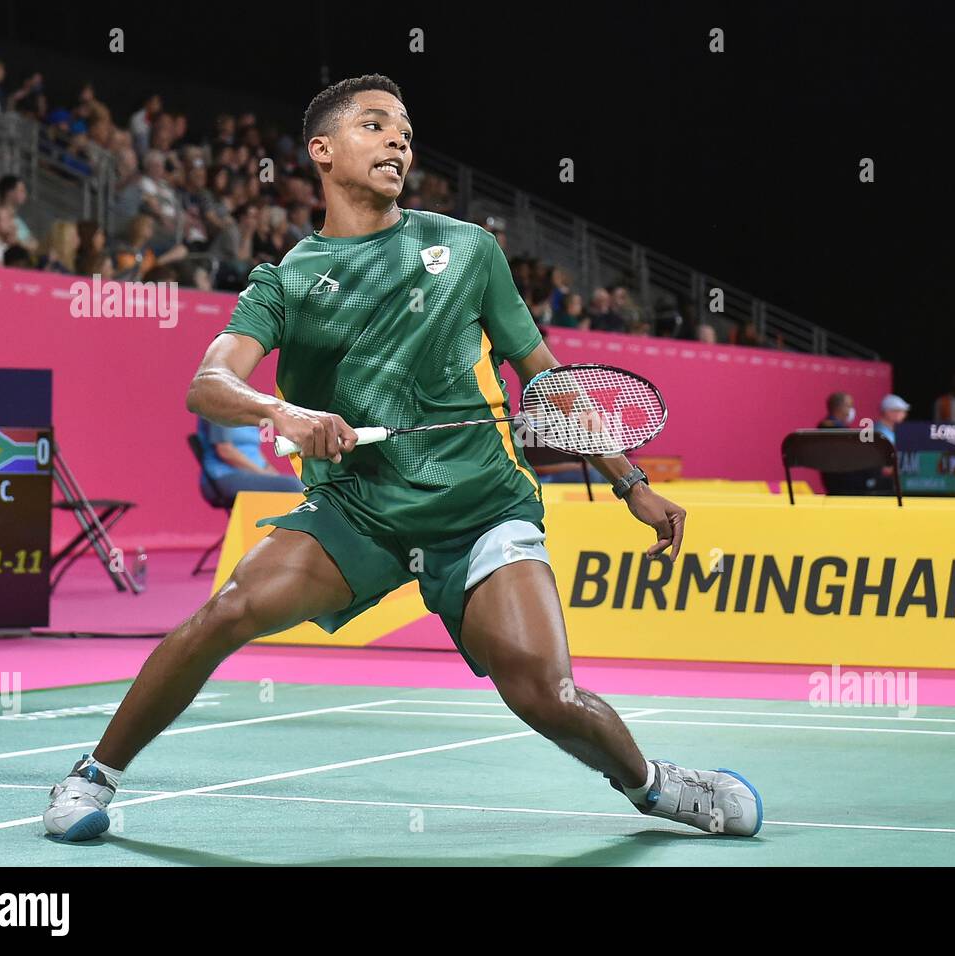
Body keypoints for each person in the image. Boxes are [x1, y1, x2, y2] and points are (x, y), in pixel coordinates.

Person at [43, 74, 761, 843]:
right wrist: (281, 411)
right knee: (231, 609)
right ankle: (92, 774)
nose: (398, 142)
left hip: (480, 507)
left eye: (406, 134)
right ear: (321, 150)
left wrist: (632, 483)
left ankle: (656, 789)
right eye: (376, 126)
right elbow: (209, 382)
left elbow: (547, 377)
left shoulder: (466, 249)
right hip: (359, 509)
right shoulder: (287, 279)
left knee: (546, 694)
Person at [196, 416, 305, 500]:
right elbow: (225, 451)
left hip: (254, 473)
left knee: (306, 489)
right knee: (294, 486)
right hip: (226, 475)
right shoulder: (217, 403)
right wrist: (261, 473)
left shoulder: (245, 411)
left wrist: (272, 473)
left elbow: (254, 450)